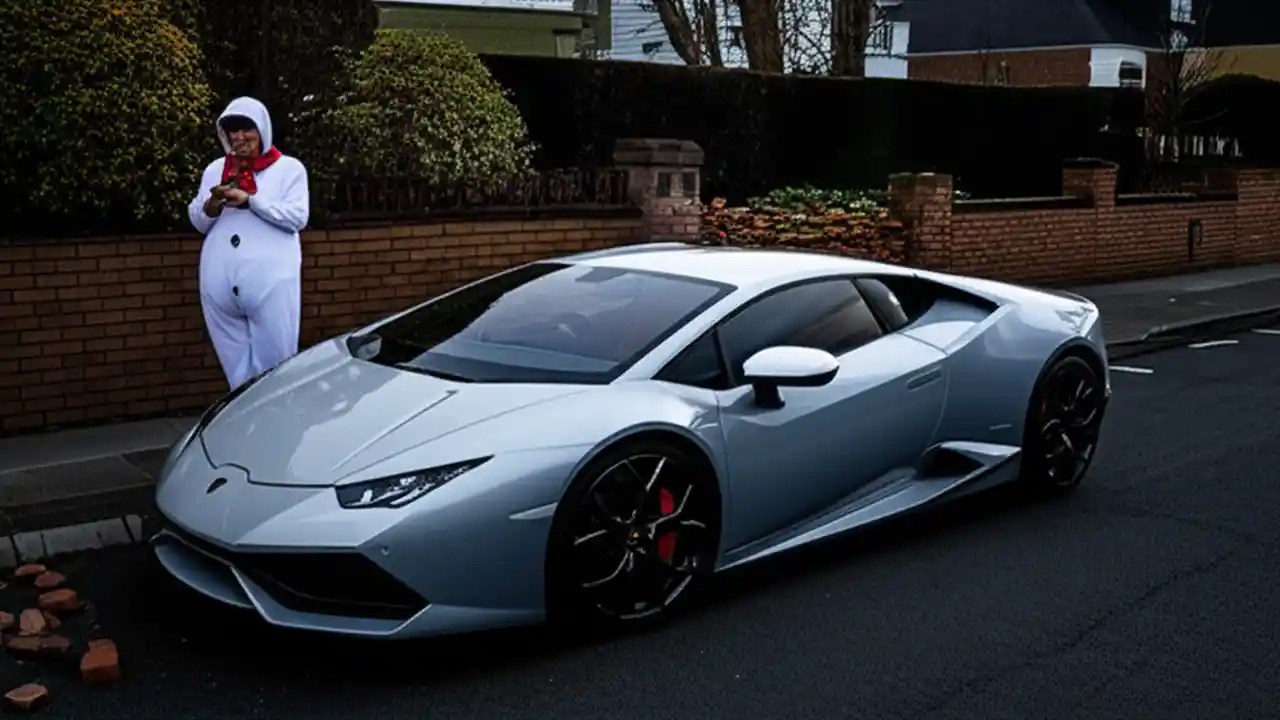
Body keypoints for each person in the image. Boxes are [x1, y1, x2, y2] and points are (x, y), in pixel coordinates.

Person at [188, 96, 309, 390]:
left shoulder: (288, 169)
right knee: (237, 376)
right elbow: (198, 220)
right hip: (218, 288)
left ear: (262, 130)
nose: (239, 138)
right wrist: (213, 203)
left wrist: (251, 201)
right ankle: (244, 422)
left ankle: (277, 422)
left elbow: (297, 216)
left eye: (247, 129)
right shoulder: (216, 169)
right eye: (233, 131)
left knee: (276, 368)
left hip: (271, 285)